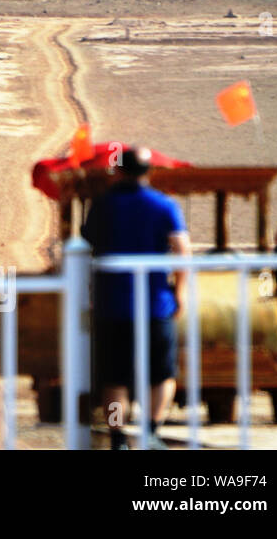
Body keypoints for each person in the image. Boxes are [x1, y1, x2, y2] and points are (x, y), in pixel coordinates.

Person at [82, 145, 191, 450]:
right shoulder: (164, 205)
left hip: (112, 304)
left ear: (118, 171)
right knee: (162, 374)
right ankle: (152, 431)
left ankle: (118, 436)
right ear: (148, 172)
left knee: (114, 379)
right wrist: (180, 293)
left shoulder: (102, 205)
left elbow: (86, 244)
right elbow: (182, 250)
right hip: (157, 304)